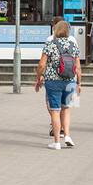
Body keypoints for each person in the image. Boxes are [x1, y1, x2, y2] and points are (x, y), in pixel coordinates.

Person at [34, 19, 81, 150]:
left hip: (53, 81)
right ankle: (67, 136)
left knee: (55, 111)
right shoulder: (73, 45)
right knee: (66, 109)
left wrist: (38, 78)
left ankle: (56, 142)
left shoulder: (50, 44)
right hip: (70, 81)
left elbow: (42, 64)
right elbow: (78, 66)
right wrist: (79, 82)